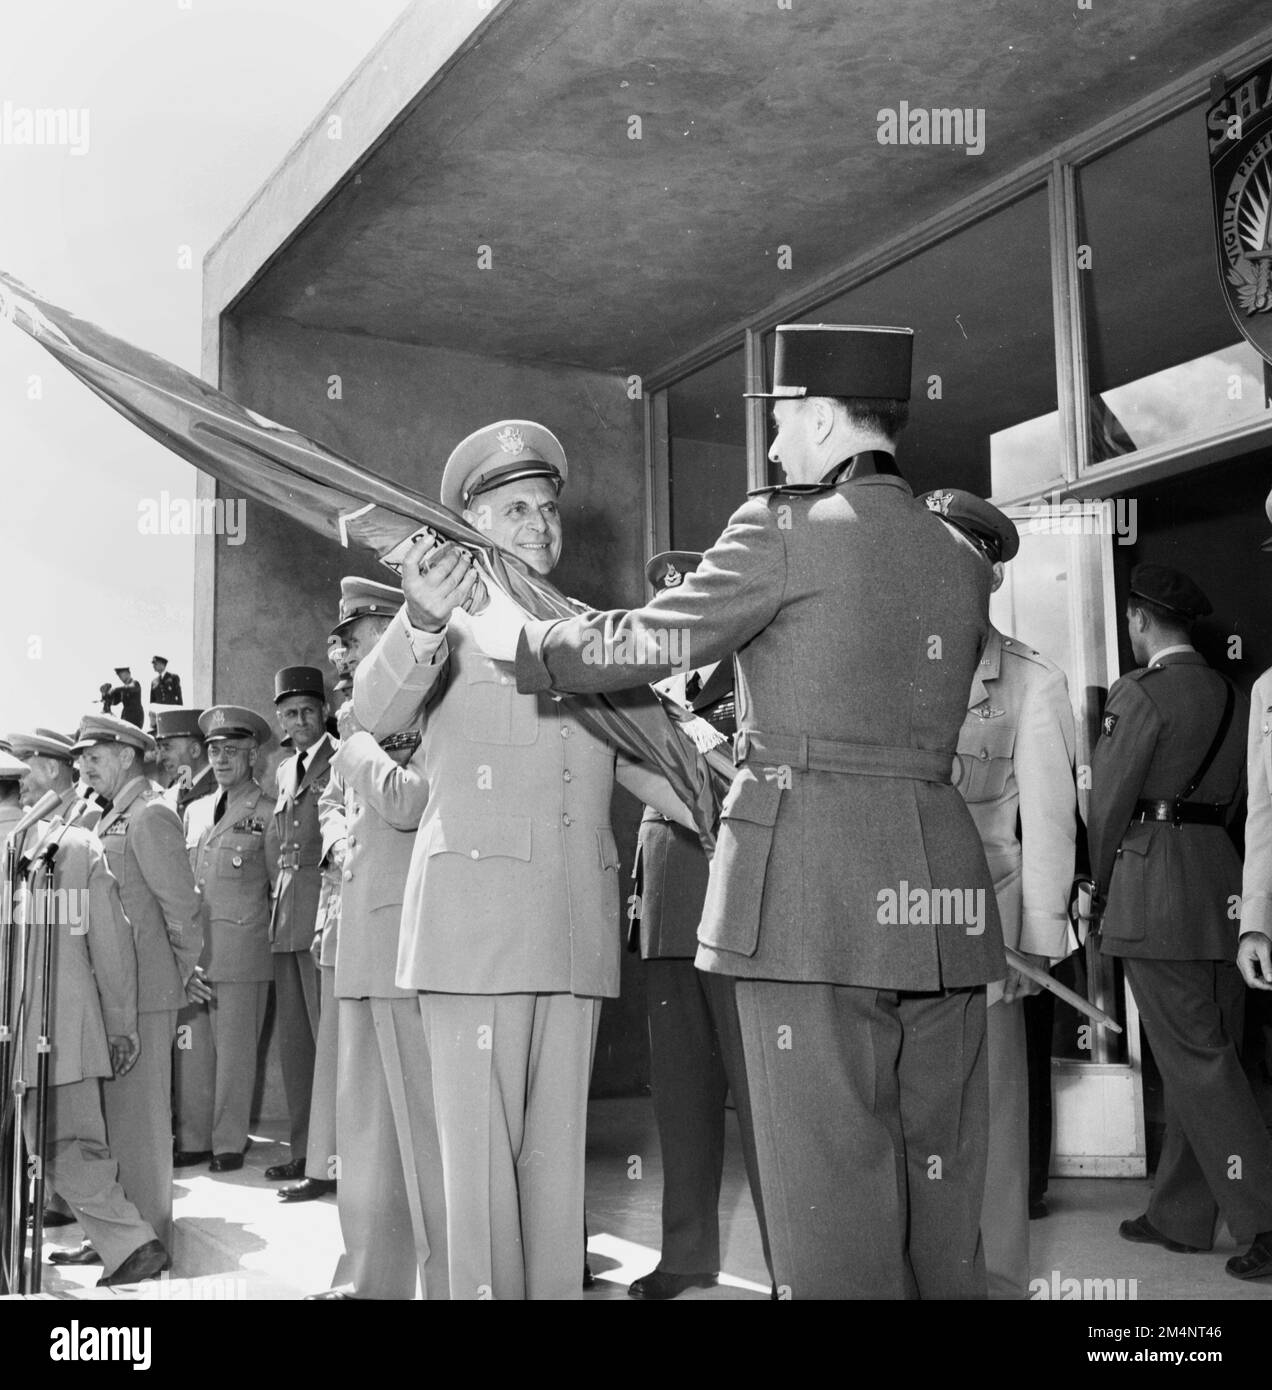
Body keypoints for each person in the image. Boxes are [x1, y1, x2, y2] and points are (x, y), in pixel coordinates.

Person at [496, 327, 1005, 1299]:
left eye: (782, 429)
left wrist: (516, 630)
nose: (773, 452)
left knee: (831, 1201)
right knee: (941, 1191)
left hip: (807, 896)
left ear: (819, 417)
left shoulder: (782, 531)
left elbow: (639, 641)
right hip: (941, 894)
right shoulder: (956, 554)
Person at [352, 419, 694, 1300]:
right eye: (515, 509)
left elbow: (630, 757)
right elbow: (374, 708)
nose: (539, 525)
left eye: (548, 507)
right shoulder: (447, 615)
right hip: (479, 940)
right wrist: (420, 616)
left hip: (572, 931)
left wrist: (721, 810)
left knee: (552, 1190)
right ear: (473, 520)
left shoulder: (577, 627)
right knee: (480, 1188)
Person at [1089, 562, 1272, 1280]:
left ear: (1139, 620)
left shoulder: (1140, 694)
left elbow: (1108, 806)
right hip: (1225, 888)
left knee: (1198, 1063)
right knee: (1209, 1052)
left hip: (1152, 894)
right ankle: (1181, 1214)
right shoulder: (1234, 695)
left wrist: (1097, 886)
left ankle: (1264, 1217)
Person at [923, 489, 1077, 1300]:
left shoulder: (1028, 681)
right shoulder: (874, 661)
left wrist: (1041, 946)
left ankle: (1002, 1287)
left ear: (987, 578)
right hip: (888, 935)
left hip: (990, 940)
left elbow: (1049, 826)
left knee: (991, 1133)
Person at [625, 550, 772, 1300]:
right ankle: (686, 1255)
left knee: (764, 1098)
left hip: (736, 901)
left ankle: (794, 1264)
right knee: (679, 1098)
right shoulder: (641, 691)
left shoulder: (751, 671)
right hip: (668, 911)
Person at [306, 575, 448, 1298]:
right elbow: (336, 798)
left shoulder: (429, 702)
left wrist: (357, 745)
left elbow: (407, 800)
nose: (341, 652)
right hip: (360, 939)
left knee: (427, 1134)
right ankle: (370, 1279)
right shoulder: (357, 718)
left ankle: (449, 1279)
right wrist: (333, 841)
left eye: (354, 639)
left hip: (409, 943)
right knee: (365, 1132)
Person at [45, 714, 204, 1265]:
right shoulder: (108, 817)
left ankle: (149, 1237)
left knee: (141, 1126)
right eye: (82, 755)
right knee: (115, 1124)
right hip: (117, 991)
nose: (84, 764)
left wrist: (181, 970)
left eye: (95, 754)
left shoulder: (151, 814)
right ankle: (116, 1238)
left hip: (147, 992)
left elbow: (181, 906)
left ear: (128, 756)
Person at [8, 767, 167, 1286]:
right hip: (63, 1027)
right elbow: (113, 944)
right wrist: (121, 1025)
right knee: (70, 1142)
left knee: (57, 1145)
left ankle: (131, 1244)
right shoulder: (78, 846)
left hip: (21, 1027)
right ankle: (130, 1243)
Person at [174, 705, 276, 1172]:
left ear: (253, 755)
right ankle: (194, 1138)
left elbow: (277, 889)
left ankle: (228, 1143)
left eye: (231, 751)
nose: (221, 760)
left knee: (235, 1056)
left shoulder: (270, 813)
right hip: (195, 956)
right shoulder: (193, 812)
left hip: (243, 954)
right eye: (214, 751)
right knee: (193, 1052)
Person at [264, 666, 336, 1184]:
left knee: (327, 1042)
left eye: (308, 710)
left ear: (324, 711)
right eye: (290, 713)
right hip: (287, 917)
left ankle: (330, 1161)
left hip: (322, 915)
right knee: (297, 1047)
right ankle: (305, 1150)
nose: (301, 720)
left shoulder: (342, 756)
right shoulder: (286, 770)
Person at [155, 707, 216, 817]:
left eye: (167, 748)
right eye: (160, 748)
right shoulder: (178, 789)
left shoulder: (220, 791)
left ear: (194, 751)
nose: (161, 758)